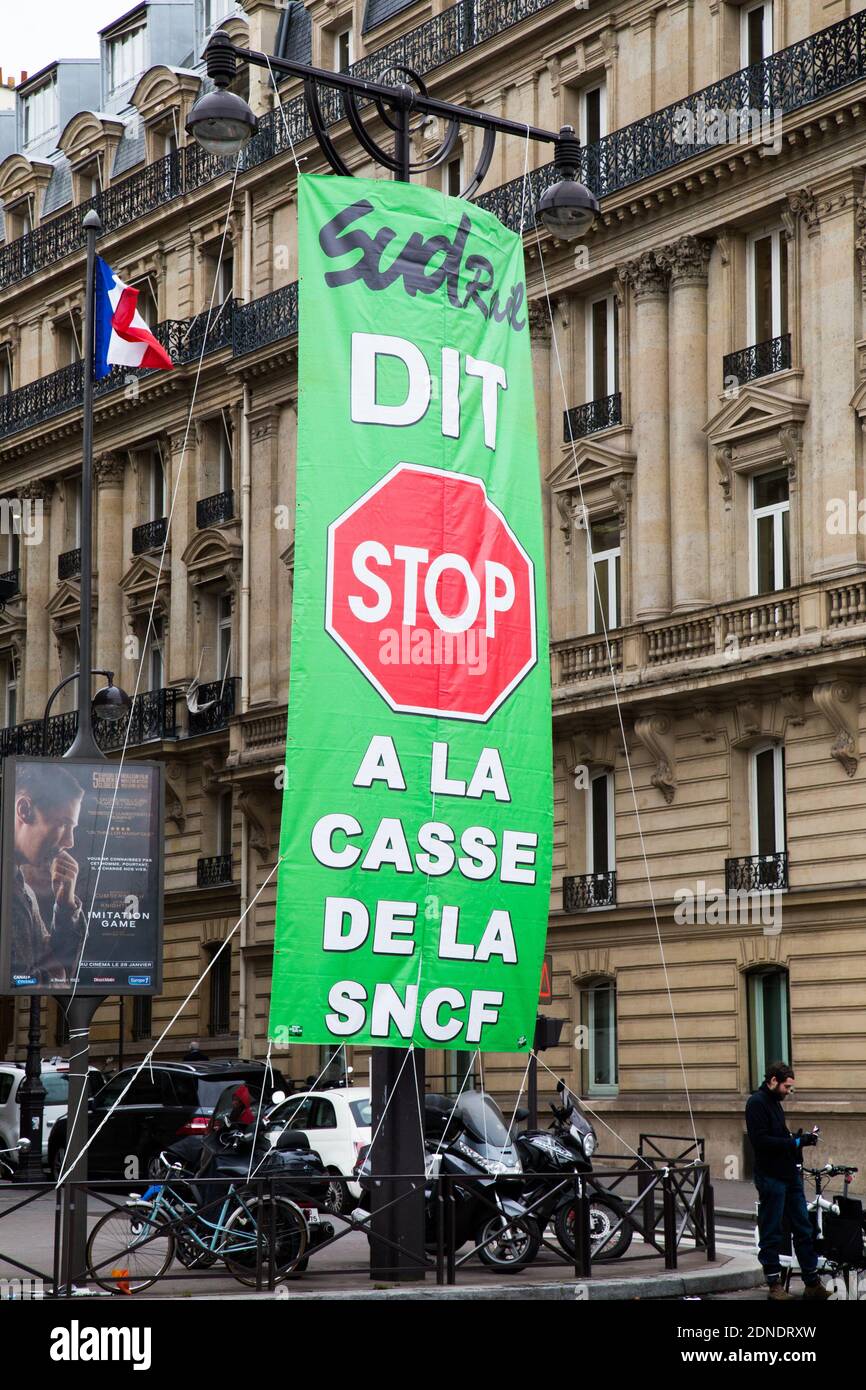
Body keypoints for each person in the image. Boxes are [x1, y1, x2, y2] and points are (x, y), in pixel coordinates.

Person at [745, 1060, 830, 1301]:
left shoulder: (773, 1102)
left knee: (803, 1227)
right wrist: (794, 1143)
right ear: (773, 1081)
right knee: (772, 1230)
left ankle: (812, 1283)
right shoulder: (757, 1103)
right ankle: (774, 1285)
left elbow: (778, 1136)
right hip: (771, 1175)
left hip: (789, 1174)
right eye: (786, 1086)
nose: (789, 1091)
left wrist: (799, 1139)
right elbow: (761, 1141)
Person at [10, 764, 86, 987]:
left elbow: (61, 971)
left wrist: (65, 905)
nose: (69, 842)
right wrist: (54, 974)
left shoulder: (26, 893)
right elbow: (27, 978)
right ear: (24, 810)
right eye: (63, 823)